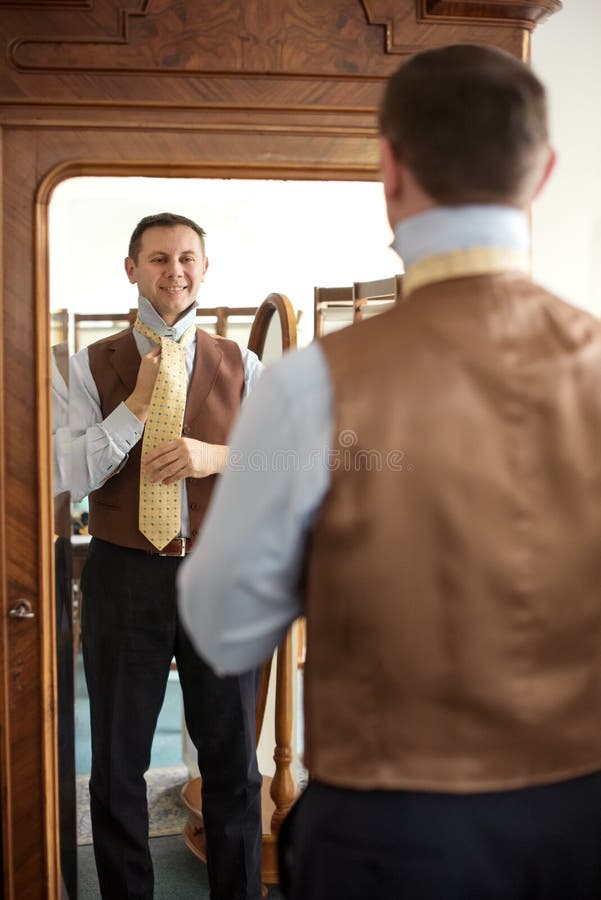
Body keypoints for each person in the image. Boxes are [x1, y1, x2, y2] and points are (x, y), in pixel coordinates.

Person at [178, 45, 601, 900]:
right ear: (544, 172)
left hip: (394, 832)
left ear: (389, 166)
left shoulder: (309, 383)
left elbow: (222, 627)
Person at [69, 211, 264, 900]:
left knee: (233, 761)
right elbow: (72, 475)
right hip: (124, 574)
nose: (173, 271)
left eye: (186, 258)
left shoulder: (244, 364)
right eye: (158, 259)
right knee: (118, 764)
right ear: (132, 269)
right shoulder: (90, 363)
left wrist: (220, 456)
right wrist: (135, 407)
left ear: (204, 269)